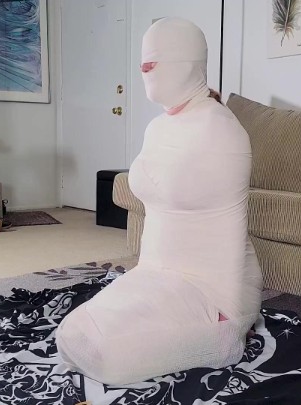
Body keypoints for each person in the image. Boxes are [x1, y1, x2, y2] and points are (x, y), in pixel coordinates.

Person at [55, 17, 263, 386]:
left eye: (154, 61)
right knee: (73, 334)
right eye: (143, 62)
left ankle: (222, 339)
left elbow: (221, 226)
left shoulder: (221, 128)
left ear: (189, 62)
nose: (144, 69)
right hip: (154, 275)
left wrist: (224, 318)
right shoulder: (158, 128)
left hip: (214, 292)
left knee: (107, 353)